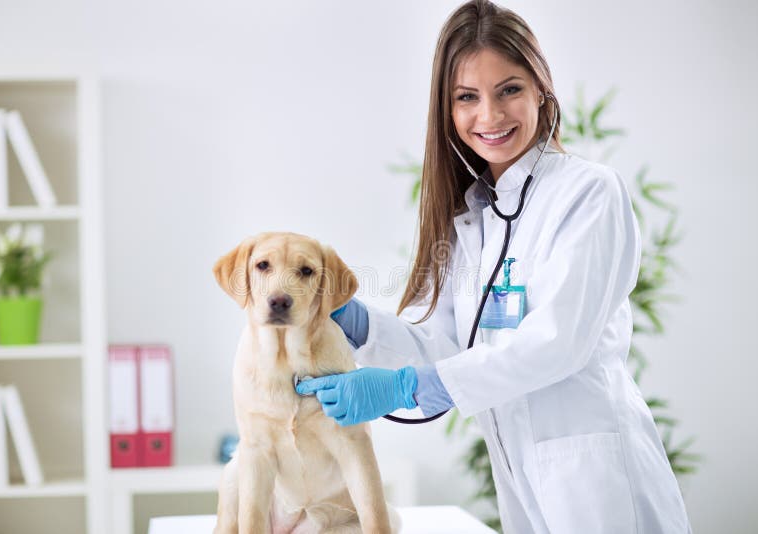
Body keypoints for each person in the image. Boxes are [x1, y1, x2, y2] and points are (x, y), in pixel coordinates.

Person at [295, 1, 692, 532]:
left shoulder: (588, 192)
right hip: (521, 481)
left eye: (509, 89)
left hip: (597, 478)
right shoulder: (475, 218)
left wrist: (409, 387)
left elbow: (557, 342)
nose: (490, 116)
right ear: (448, 111)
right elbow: (449, 350)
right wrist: (359, 324)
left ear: (541, 90)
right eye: (467, 98)